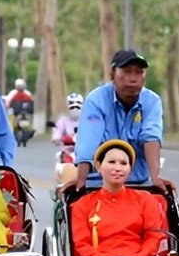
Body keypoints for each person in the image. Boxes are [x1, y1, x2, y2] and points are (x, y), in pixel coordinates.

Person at [70, 139, 179, 256]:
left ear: (129, 169)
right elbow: (82, 244)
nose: (117, 168)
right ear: (98, 166)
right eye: (111, 162)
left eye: (123, 163)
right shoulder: (83, 205)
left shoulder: (145, 200)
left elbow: (153, 236)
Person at [73, 49, 172, 191]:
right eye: (126, 71)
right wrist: (81, 181)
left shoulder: (152, 101)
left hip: (138, 183)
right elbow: (88, 143)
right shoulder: (96, 100)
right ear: (113, 74)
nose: (133, 78)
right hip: (99, 184)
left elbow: (151, 137)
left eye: (139, 72)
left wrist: (155, 178)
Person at [53, 92, 82, 185]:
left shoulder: (88, 120)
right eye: (72, 105)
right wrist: (61, 140)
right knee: (61, 163)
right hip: (68, 153)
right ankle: (60, 186)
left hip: (84, 153)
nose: (75, 108)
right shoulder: (62, 121)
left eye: (78, 105)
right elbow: (56, 137)